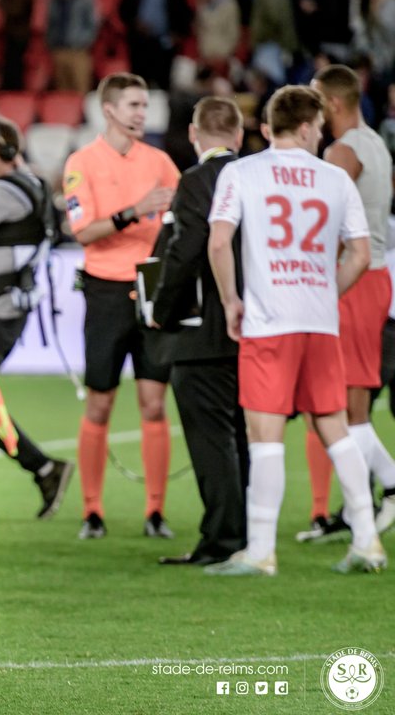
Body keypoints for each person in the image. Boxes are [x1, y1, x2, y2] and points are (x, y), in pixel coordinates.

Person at [206, 85, 386, 575]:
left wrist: (231, 301)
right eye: (319, 128)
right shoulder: (335, 178)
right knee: (335, 427)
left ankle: (261, 550)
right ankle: (366, 540)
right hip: (319, 322)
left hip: (270, 321)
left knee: (265, 435)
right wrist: (327, 292)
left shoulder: (241, 172)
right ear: (306, 127)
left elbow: (219, 242)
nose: (321, 135)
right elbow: (361, 255)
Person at [63, 72, 180, 540]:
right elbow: (83, 231)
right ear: (109, 109)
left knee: (154, 402)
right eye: (133, 105)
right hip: (106, 291)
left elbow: (181, 218)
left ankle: (156, 512)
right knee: (100, 402)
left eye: (144, 105)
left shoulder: (161, 162)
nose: (141, 113)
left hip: (153, 290)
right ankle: (92, 511)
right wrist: (134, 210)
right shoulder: (82, 163)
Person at [150, 96, 248, 566]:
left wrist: (160, 309)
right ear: (240, 135)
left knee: (212, 438)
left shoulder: (196, 181)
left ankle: (223, 539)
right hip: (258, 327)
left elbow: (186, 251)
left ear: (194, 134)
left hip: (205, 332)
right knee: (247, 435)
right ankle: (251, 532)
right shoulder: (256, 176)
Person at [299, 65, 395, 540]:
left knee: (344, 409)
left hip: (353, 280)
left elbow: (324, 222)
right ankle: (367, 502)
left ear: (333, 104)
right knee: (339, 405)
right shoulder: (375, 143)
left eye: (315, 100)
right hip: (372, 278)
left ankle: (386, 488)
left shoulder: (342, 152)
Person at [0, 116, 73, 522]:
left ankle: (42, 467)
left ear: (8, 155)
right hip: (7, 308)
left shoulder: (1, 193)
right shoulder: (32, 183)